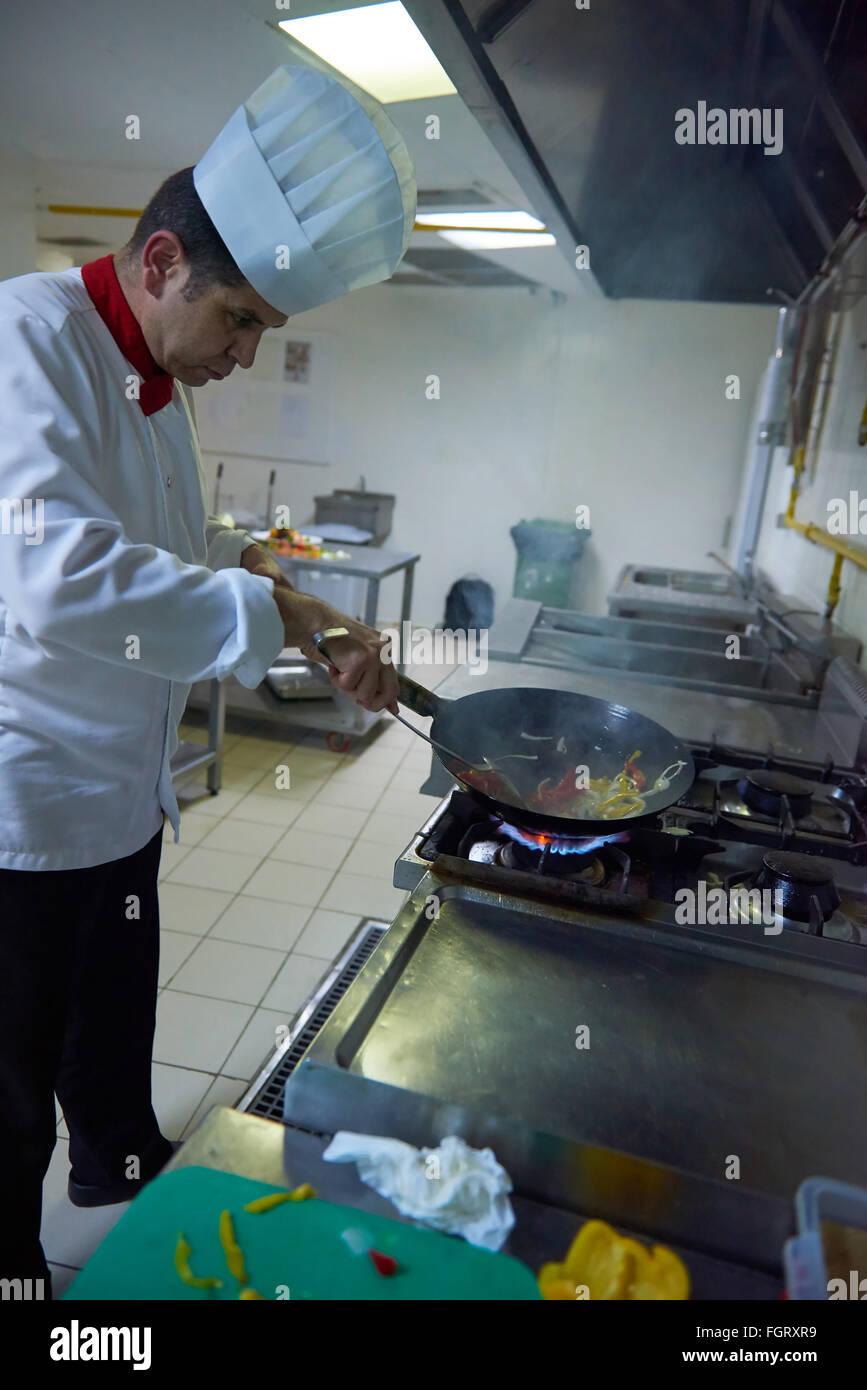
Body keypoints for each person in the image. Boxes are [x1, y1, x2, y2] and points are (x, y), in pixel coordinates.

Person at [0, 62, 416, 1293]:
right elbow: (58, 575)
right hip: (24, 811)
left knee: (112, 1034)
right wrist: (275, 606)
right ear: (165, 261)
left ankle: (117, 1168)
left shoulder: (164, 384)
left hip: (123, 797)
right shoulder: (25, 342)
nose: (244, 354)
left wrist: (287, 589)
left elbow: (179, 541)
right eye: (241, 322)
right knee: (11, 1082)